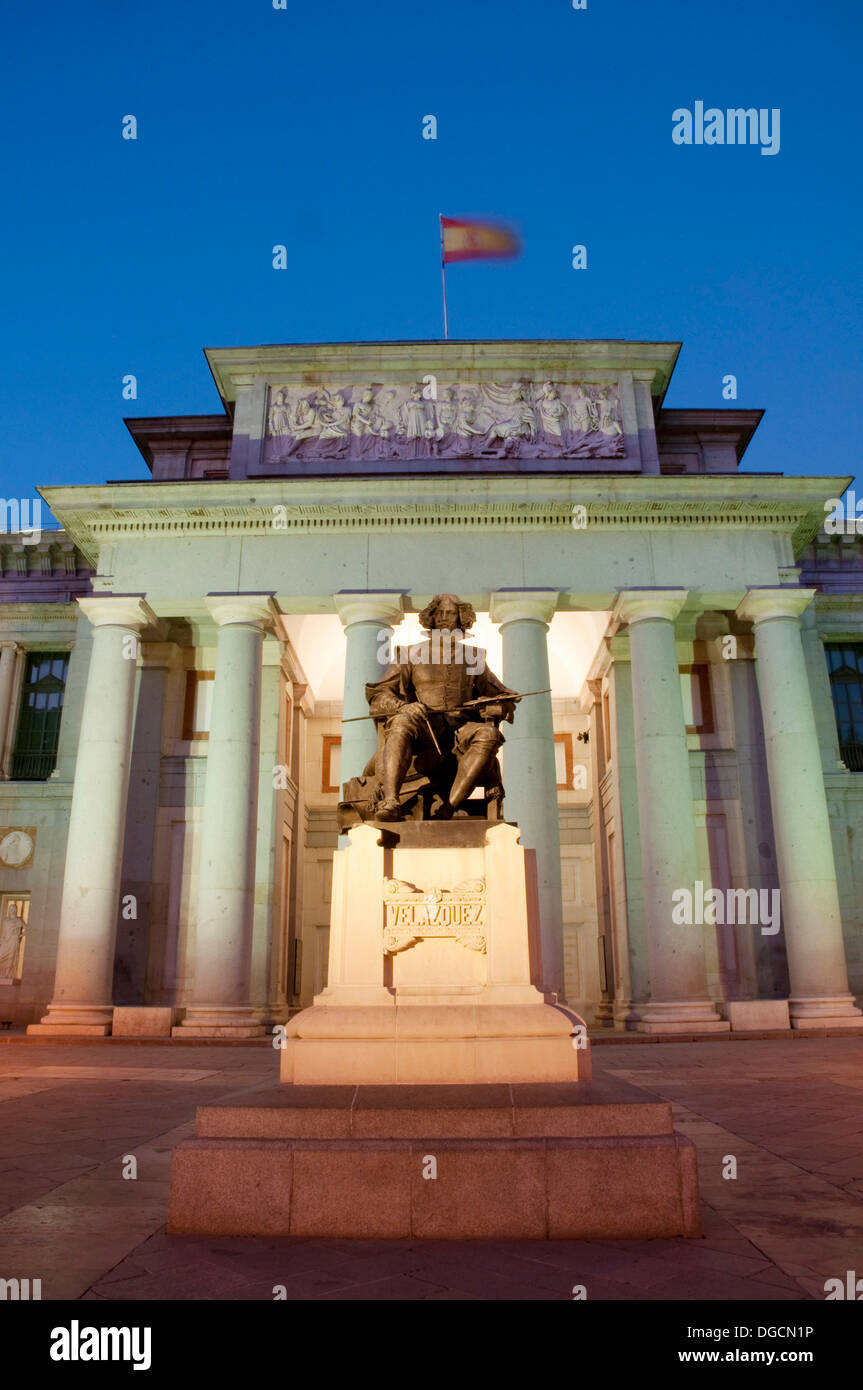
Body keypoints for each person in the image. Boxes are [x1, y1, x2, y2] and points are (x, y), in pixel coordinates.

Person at [365, 594, 517, 821]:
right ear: (432, 618)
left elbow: (503, 695)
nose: (445, 618)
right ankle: (391, 801)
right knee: (401, 721)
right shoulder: (409, 654)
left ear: (460, 618)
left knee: (489, 733)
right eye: (440, 613)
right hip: (423, 732)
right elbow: (379, 694)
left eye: (451, 613)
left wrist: (498, 706)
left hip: (461, 732)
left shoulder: (474, 656)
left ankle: (449, 808)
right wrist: (402, 706)